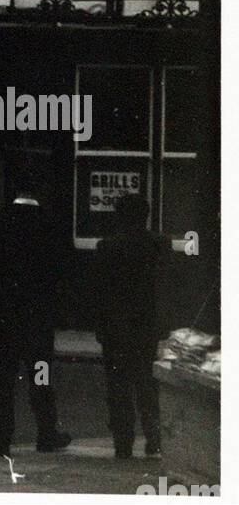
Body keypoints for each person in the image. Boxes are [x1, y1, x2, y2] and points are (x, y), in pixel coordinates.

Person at [0, 183, 72, 456]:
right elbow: (65, 269)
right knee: (40, 375)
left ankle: (0, 440)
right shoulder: (51, 224)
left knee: (2, 380)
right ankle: (46, 433)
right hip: (38, 317)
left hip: (2, 313)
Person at [93, 194, 173, 460]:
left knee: (118, 390)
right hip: (148, 327)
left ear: (119, 216)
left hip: (117, 329)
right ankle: (154, 440)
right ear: (146, 215)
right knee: (148, 388)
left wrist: (101, 328)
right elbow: (165, 287)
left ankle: (123, 444)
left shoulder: (107, 246)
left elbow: (100, 292)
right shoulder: (160, 244)